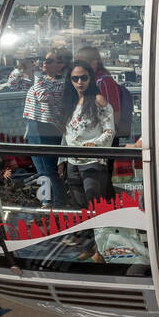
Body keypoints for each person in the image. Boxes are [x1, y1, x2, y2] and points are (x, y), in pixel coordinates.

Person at [58, 61, 115, 209]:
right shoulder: (70, 102)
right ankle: (86, 233)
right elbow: (67, 134)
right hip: (72, 163)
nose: (79, 82)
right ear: (70, 81)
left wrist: (95, 145)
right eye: (75, 78)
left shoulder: (98, 101)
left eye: (84, 77)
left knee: (95, 207)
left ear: (91, 78)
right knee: (79, 207)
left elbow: (109, 131)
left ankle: (97, 232)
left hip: (93, 161)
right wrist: (61, 159)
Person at [23, 47, 71, 207]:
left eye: (50, 60)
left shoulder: (62, 84)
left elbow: (43, 97)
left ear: (60, 65)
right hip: (33, 125)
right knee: (41, 170)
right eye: (44, 59)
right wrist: (20, 69)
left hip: (48, 127)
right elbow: (13, 83)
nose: (44, 62)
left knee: (50, 169)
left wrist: (36, 75)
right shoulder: (41, 80)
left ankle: (59, 203)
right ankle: (46, 201)